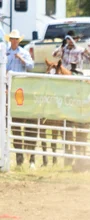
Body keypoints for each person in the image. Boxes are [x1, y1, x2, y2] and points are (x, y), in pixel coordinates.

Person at [5, 29, 35, 168]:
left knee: (25, 122)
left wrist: (21, 59)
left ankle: (25, 155)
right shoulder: (5, 52)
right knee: (13, 124)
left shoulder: (23, 52)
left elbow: (31, 66)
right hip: (9, 87)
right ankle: (18, 156)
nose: (14, 41)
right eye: (12, 38)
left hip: (21, 87)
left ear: (19, 40)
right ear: (10, 40)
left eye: (16, 39)